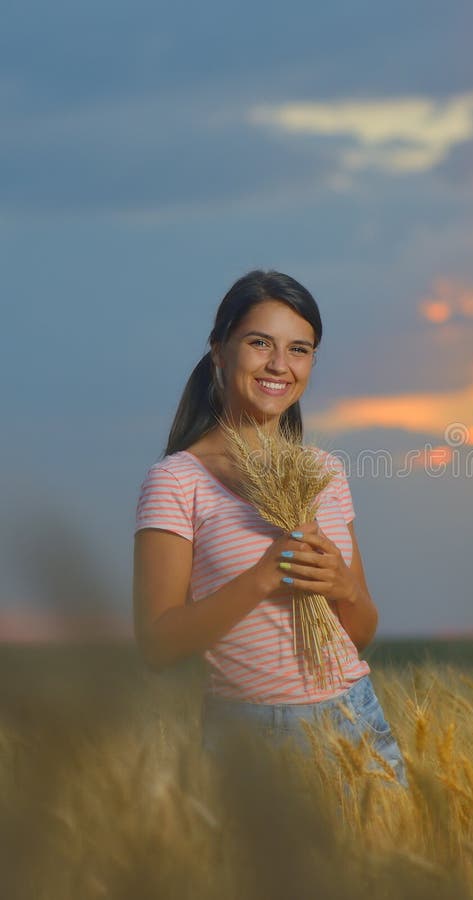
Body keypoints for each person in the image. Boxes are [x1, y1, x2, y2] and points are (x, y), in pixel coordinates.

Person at [133, 270, 406, 785]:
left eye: (299, 349)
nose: (279, 365)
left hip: (356, 719)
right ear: (219, 350)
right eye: (261, 343)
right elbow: (158, 645)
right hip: (251, 738)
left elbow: (360, 633)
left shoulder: (324, 472)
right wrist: (263, 576)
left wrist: (344, 587)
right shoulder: (176, 480)